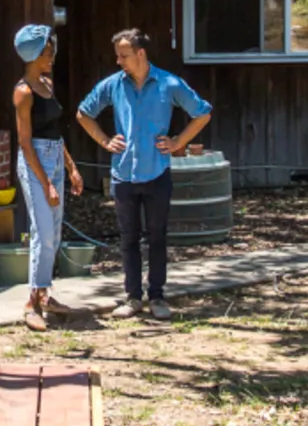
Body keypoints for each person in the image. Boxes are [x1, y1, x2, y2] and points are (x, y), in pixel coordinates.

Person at [77, 28, 212, 321]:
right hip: (123, 174)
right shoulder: (114, 85)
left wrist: (178, 142)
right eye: (117, 55)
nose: (119, 61)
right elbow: (83, 113)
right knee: (128, 239)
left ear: (141, 53)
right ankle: (133, 297)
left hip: (156, 172)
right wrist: (104, 140)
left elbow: (202, 112)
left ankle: (158, 297)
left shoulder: (168, 83)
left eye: (124, 55)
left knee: (158, 237)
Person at [12, 24, 84, 332]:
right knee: (42, 232)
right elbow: (25, 143)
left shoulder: (47, 84)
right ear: (32, 54)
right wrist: (47, 183)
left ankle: (44, 294)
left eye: (51, 50)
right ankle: (31, 302)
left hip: (54, 156)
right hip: (35, 163)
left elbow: (56, 133)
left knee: (53, 232)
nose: (51, 56)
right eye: (46, 51)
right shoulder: (23, 92)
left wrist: (71, 167)